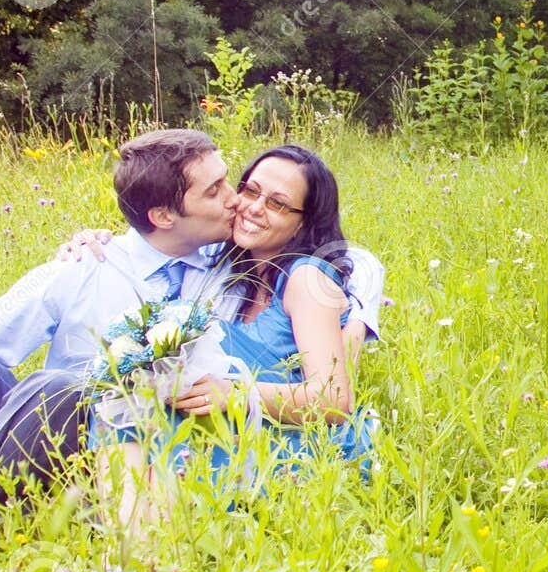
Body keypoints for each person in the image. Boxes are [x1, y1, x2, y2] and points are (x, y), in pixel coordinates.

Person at [0, 130, 377, 570]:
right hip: (22, 444)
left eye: (250, 193)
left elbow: (349, 266)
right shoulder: (86, 265)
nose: (240, 204)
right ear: (164, 214)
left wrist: (355, 314)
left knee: (62, 386)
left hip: (112, 467)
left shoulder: (228, 265)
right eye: (228, 189)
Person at [94, 144, 377, 509]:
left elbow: (334, 400)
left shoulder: (307, 277)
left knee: (142, 417)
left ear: (303, 221)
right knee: (124, 393)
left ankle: (137, 539)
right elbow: (162, 241)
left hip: (294, 447)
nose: (254, 208)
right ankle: (130, 537)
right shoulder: (226, 271)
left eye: (277, 203)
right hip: (239, 432)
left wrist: (236, 393)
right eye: (250, 190)